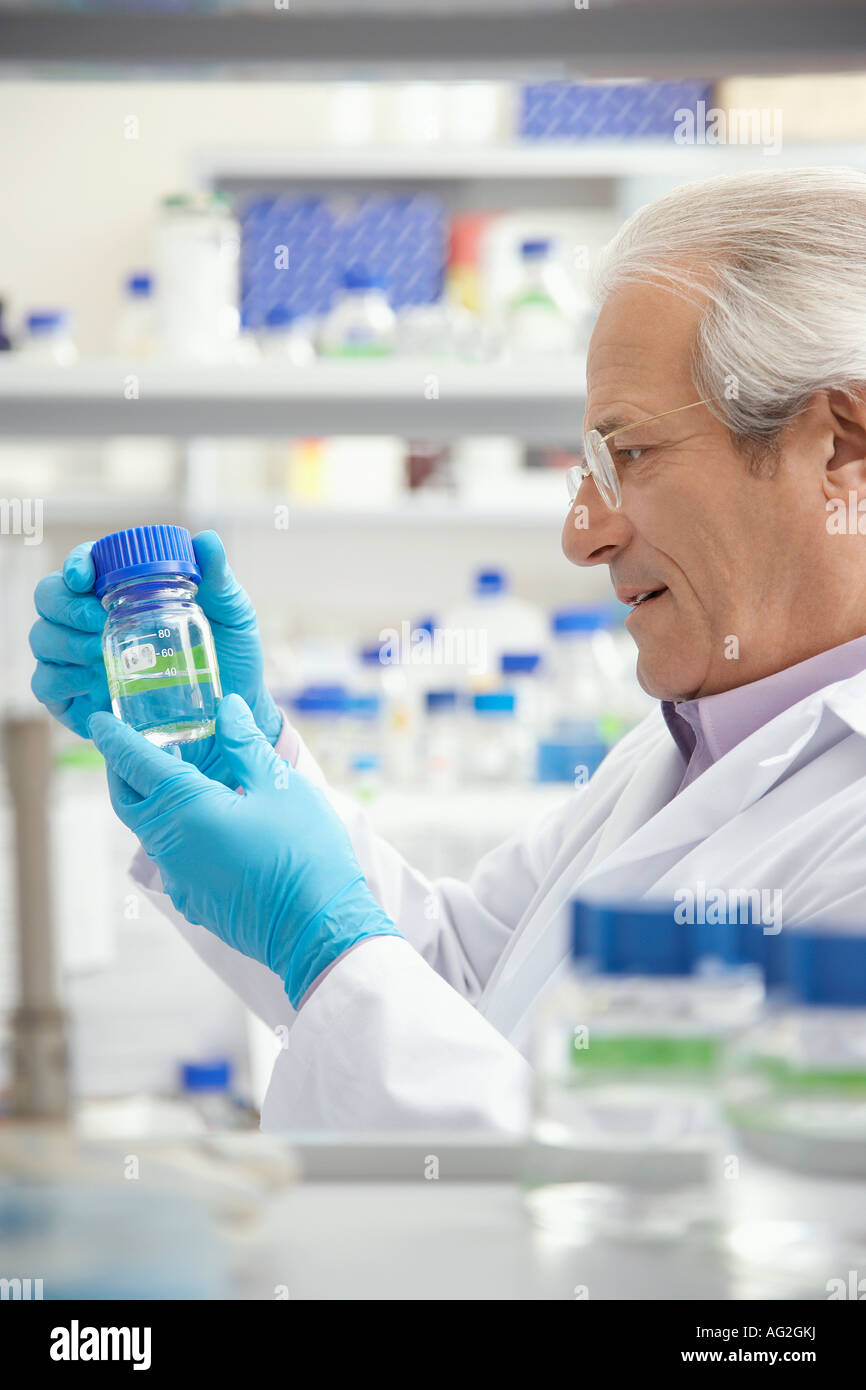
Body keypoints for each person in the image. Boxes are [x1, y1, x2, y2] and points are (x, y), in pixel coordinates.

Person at [30, 167, 866, 1131]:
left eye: (630, 454)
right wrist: (234, 754)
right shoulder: (695, 738)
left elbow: (637, 1196)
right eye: (588, 469)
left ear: (839, 448)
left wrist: (320, 939)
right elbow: (467, 984)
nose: (583, 535)